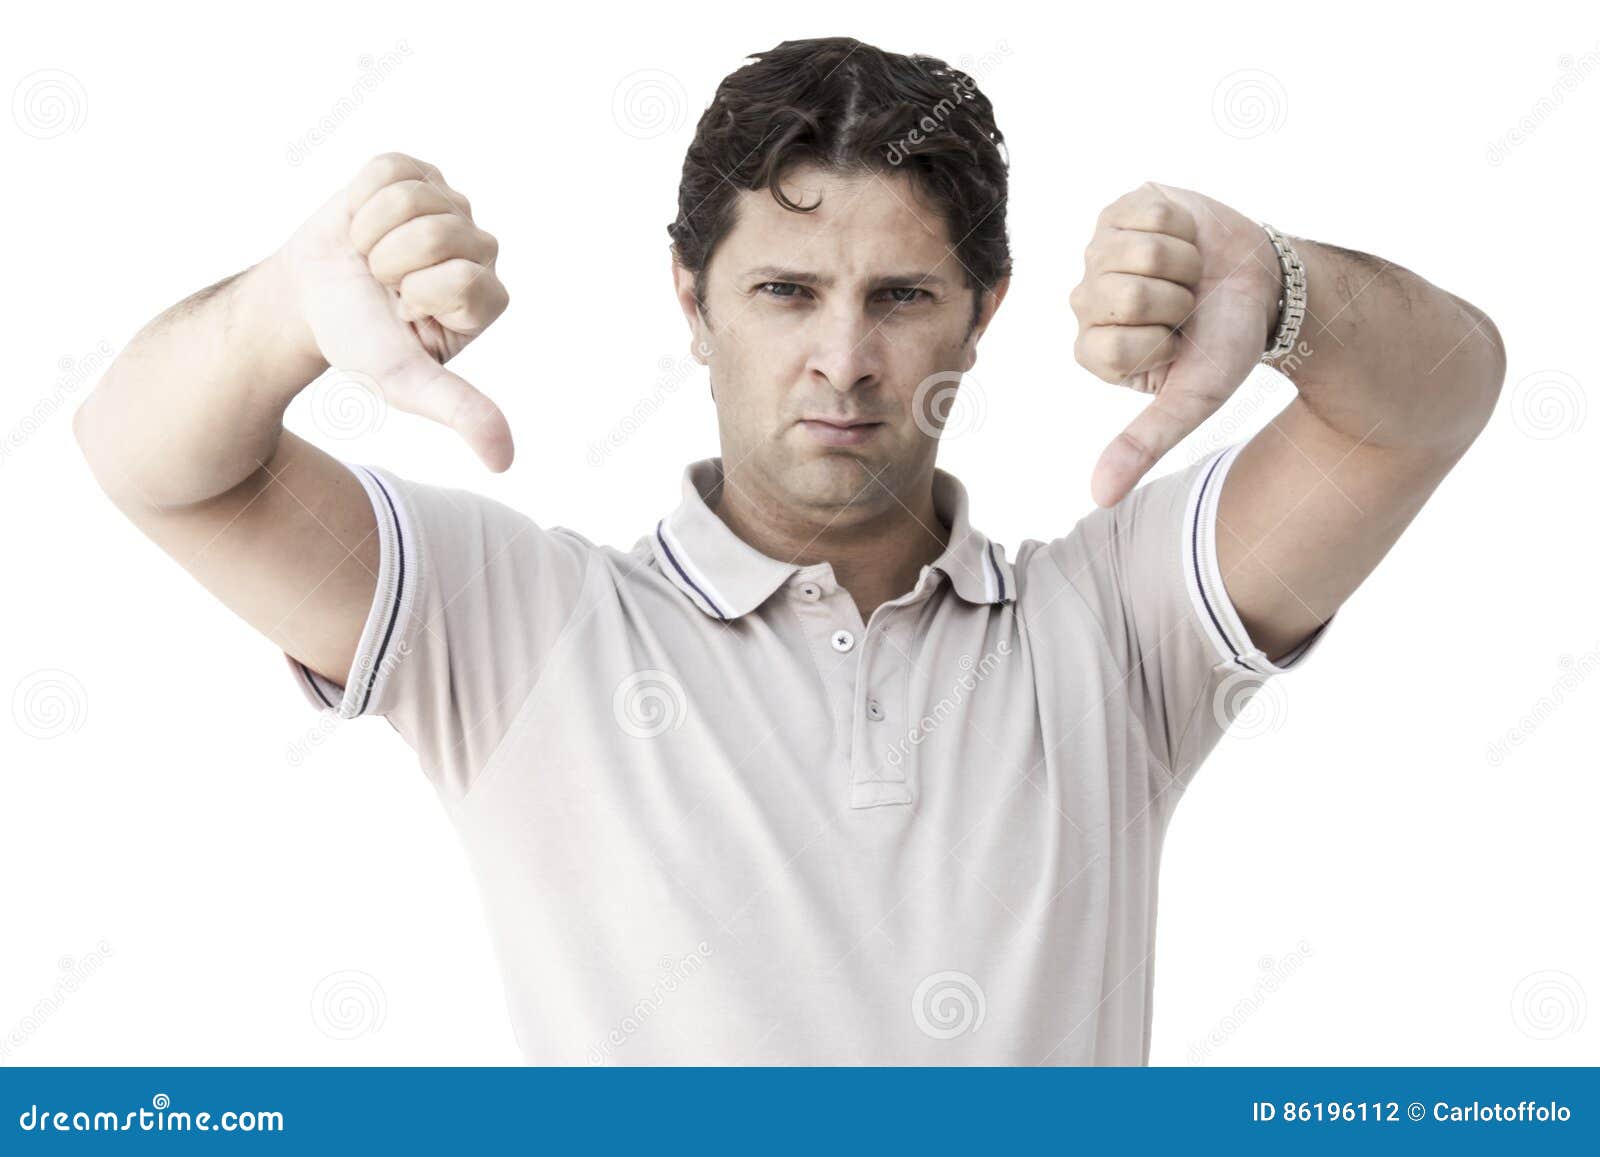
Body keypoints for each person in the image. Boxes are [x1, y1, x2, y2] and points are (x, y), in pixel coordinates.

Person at [73, 36, 1505, 1064]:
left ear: (980, 313)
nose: (843, 358)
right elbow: (159, 464)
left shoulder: (1117, 629)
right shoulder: (519, 627)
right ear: (692, 305)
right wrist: (277, 310)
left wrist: (1291, 292)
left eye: (899, 295)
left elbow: (1433, 403)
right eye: (782, 289)